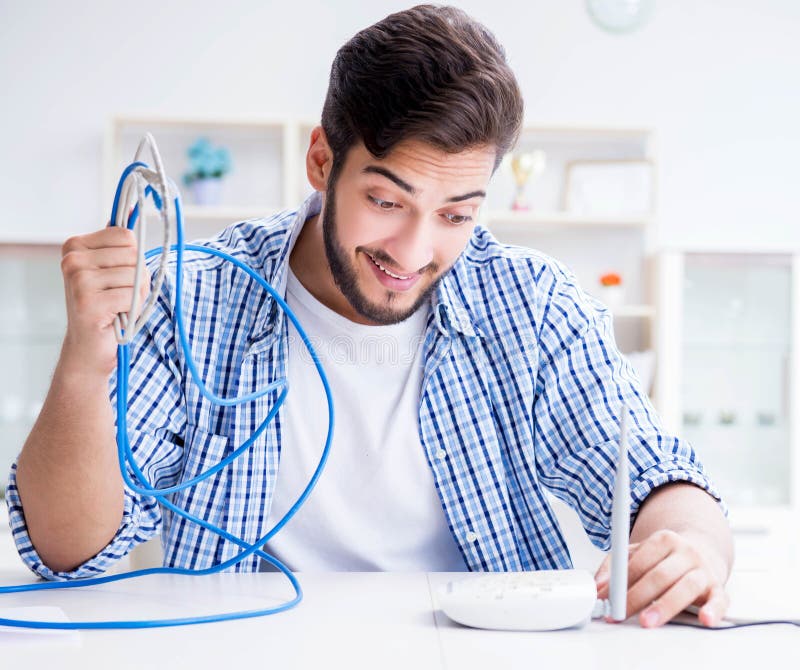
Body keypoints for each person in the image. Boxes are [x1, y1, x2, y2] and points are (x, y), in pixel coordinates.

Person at [7, 5, 732, 628]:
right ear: (322, 161)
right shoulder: (191, 298)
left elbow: (655, 479)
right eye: (387, 202)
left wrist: (691, 545)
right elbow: (66, 554)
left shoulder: (536, 306)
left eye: (455, 214)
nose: (413, 252)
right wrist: (84, 362)